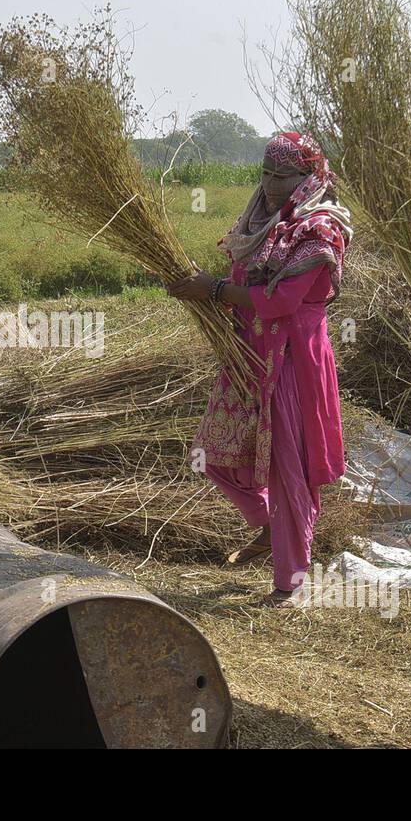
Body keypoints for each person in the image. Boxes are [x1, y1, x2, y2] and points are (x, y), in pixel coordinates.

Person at [168, 132, 351, 606]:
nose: (271, 183)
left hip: (292, 358)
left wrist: (212, 292)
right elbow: (238, 281)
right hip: (248, 355)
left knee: (290, 465)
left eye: (282, 175)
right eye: (266, 173)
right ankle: (269, 524)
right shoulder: (258, 221)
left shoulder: (319, 227)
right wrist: (202, 286)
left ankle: (291, 581)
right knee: (214, 453)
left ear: (307, 176)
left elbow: (285, 299)